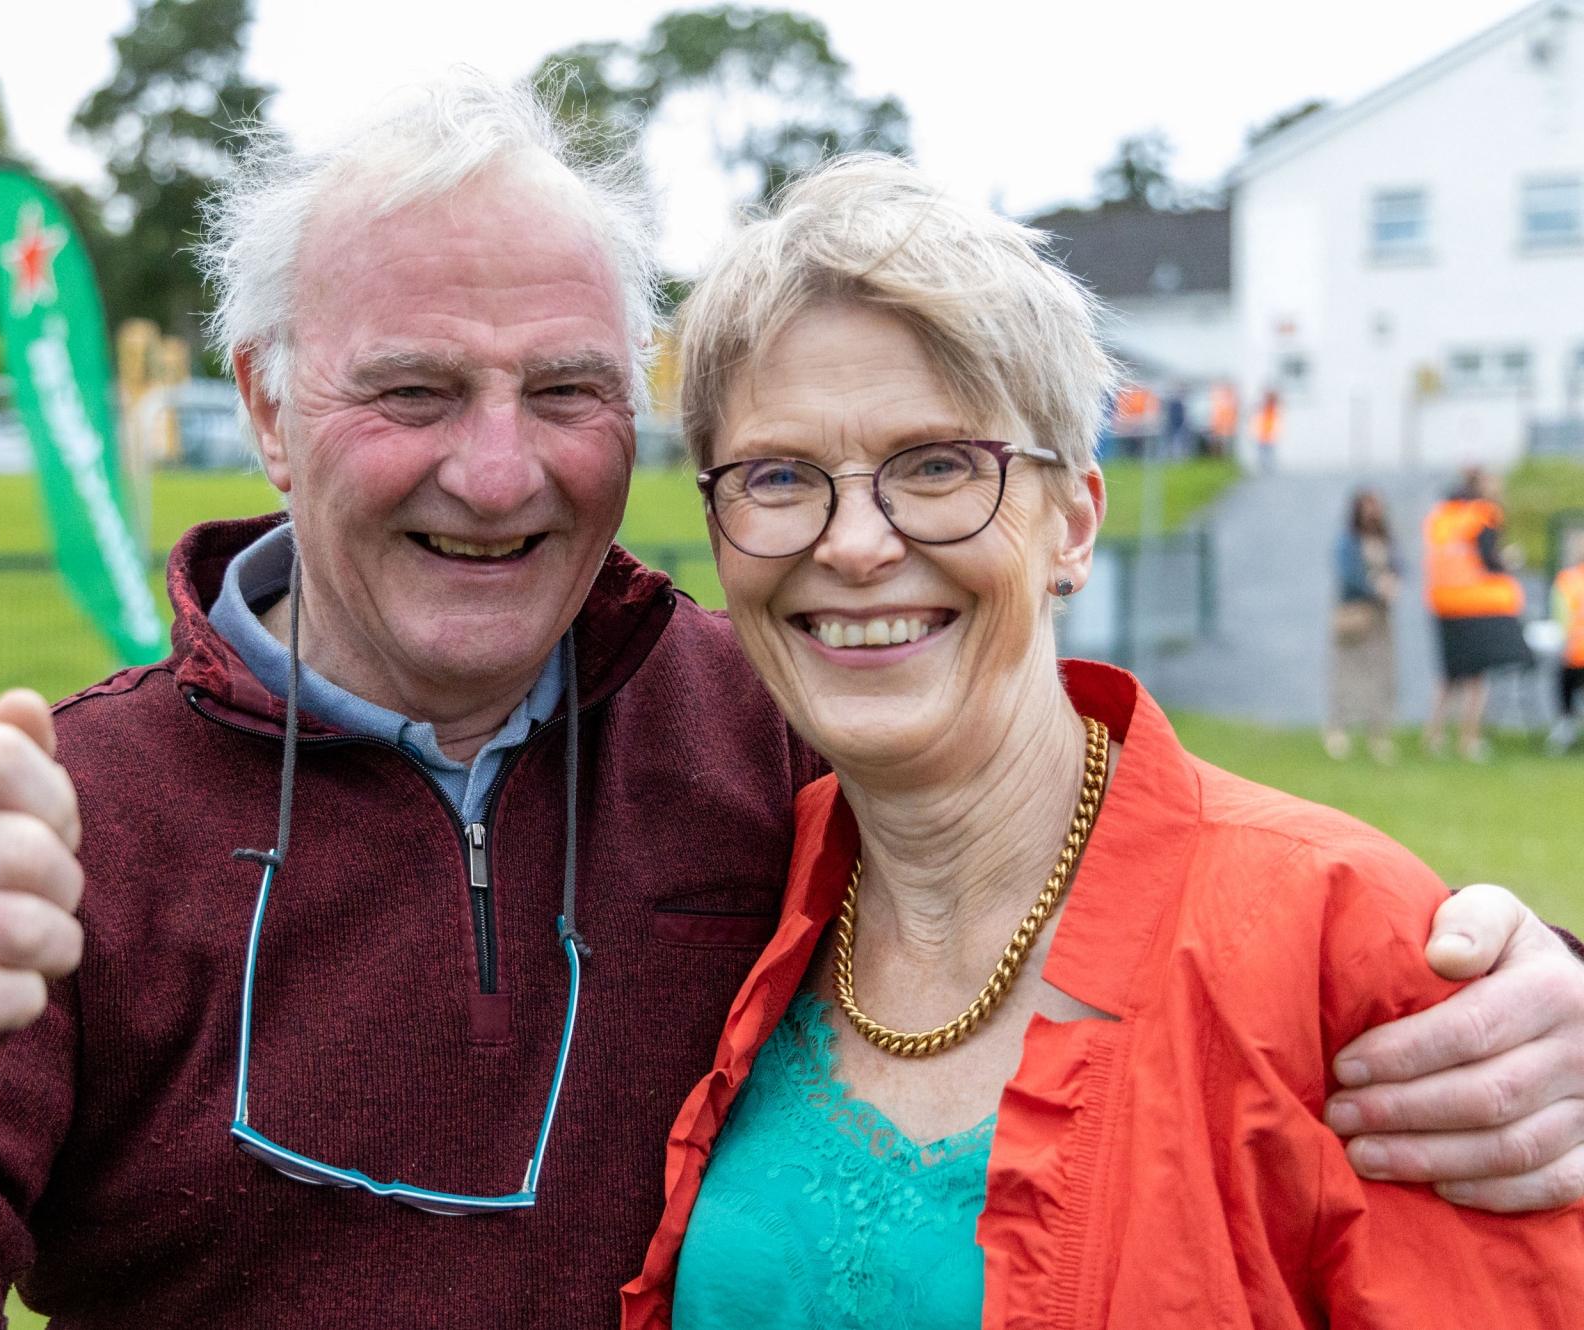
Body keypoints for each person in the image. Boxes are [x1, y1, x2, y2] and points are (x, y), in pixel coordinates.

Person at [0, 76, 1584, 1330]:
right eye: (415, 391)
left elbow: (1179, 893)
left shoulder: (765, 725)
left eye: (568, 391)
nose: (499, 472)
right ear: (265, 408)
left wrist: (1527, 986)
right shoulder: (92, 818)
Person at [622, 155, 1584, 1328]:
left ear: (1073, 520)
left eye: (937, 465)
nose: (858, 543)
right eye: (780, 475)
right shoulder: (711, 881)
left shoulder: (1345, 945)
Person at [1422, 466, 1532, 762]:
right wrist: (1509, 560)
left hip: (1444, 603)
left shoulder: (1443, 514)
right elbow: (1489, 560)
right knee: (1475, 679)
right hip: (1478, 604)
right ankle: (1469, 740)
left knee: (1450, 675)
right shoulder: (1483, 514)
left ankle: (1433, 735)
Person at [1324, 488, 1401, 763]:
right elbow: (1349, 574)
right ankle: (1338, 729)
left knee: (1382, 673)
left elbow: (1398, 564)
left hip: (1381, 617)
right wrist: (1375, 587)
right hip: (1355, 614)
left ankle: (1378, 733)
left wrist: (1393, 582)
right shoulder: (1348, 541)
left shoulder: (1384, 538)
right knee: (1348, 672)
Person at [1551, 529, 1584, 754]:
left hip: (1573, 652)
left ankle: (1566, 722)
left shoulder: (1566, 579)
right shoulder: (1568, 579)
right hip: (1575, 651)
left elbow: (1559, 619)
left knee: (1564, 681)